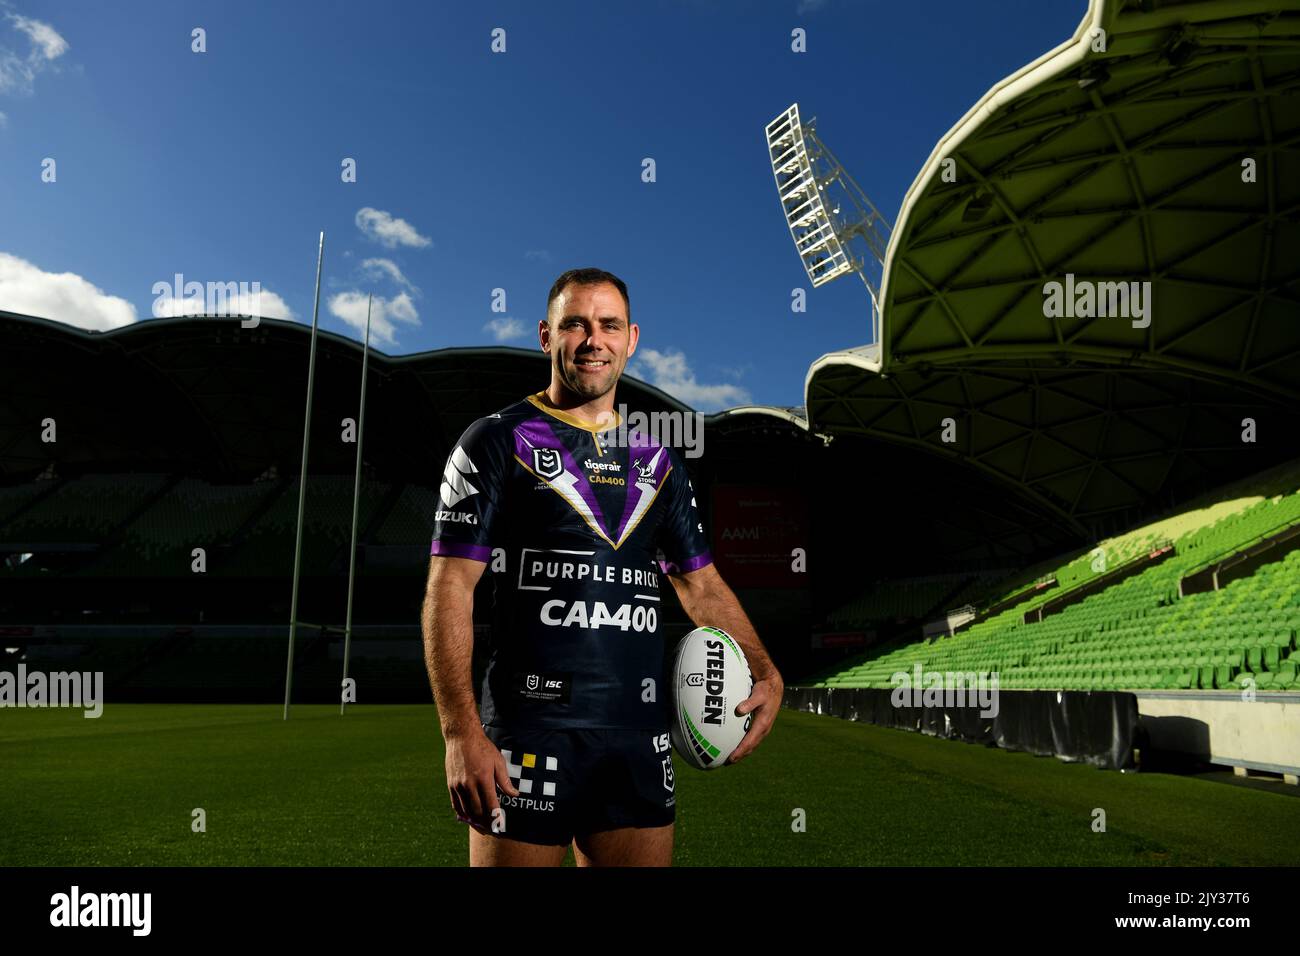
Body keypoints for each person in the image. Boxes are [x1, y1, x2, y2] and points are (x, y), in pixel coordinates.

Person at [422, 267, 782, 866]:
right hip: (525, 733)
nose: (594, 340)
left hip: (638, 740)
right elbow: (449, 586)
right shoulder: (495, 440)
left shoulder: (658, 461)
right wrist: (460, 733)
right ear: (546, 336)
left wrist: (766, 669)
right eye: (576, 325)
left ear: (631, 338)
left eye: (609, 325)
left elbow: (699, 583)